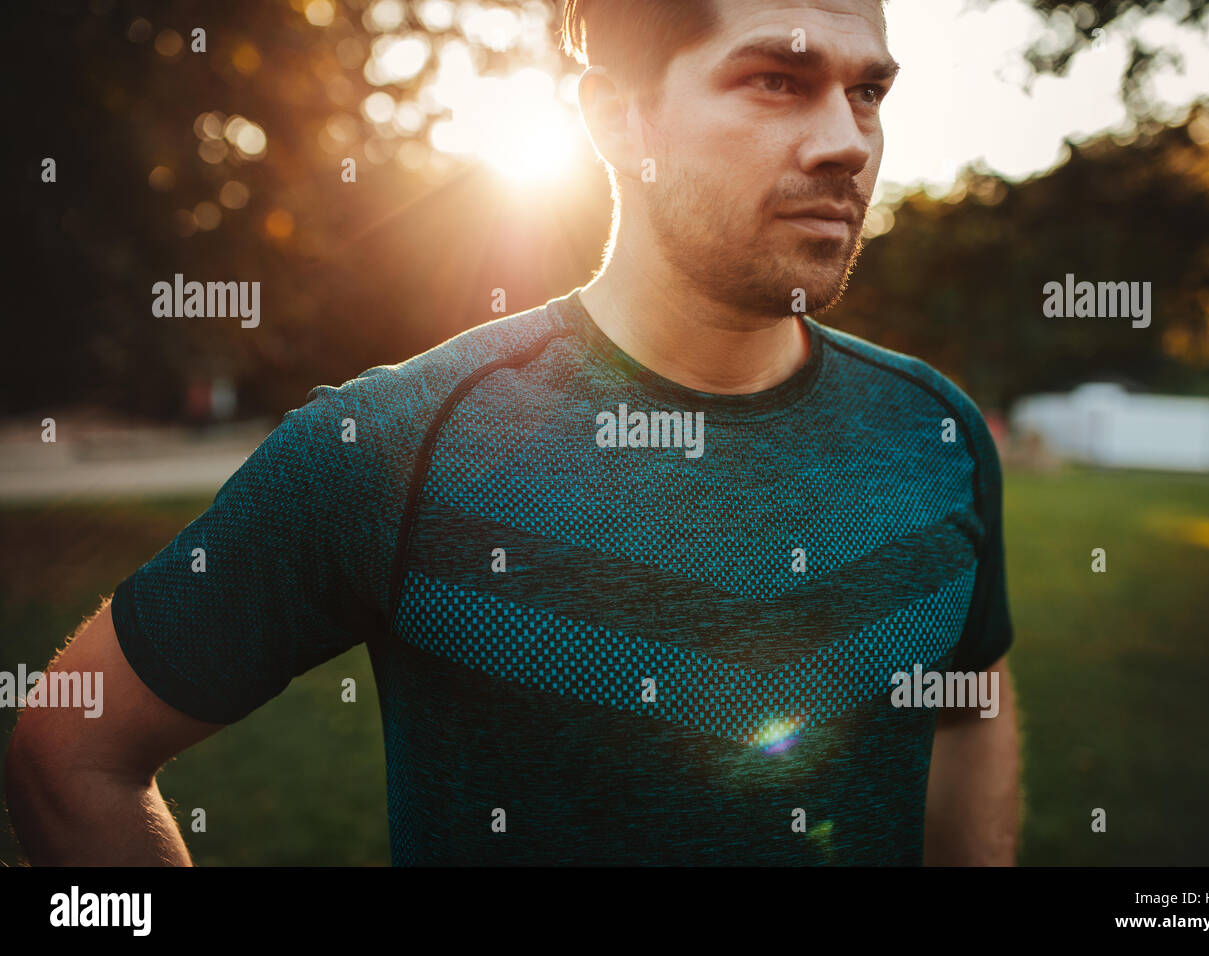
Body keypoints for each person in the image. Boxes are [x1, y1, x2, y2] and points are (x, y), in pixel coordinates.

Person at [6, 0, 1018, 865]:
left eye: (868, 92)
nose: (847, 139)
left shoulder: (936, 433)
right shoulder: (398, 440)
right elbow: (71, 747)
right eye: (775, 80)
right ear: (617, 118)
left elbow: (969, 710)